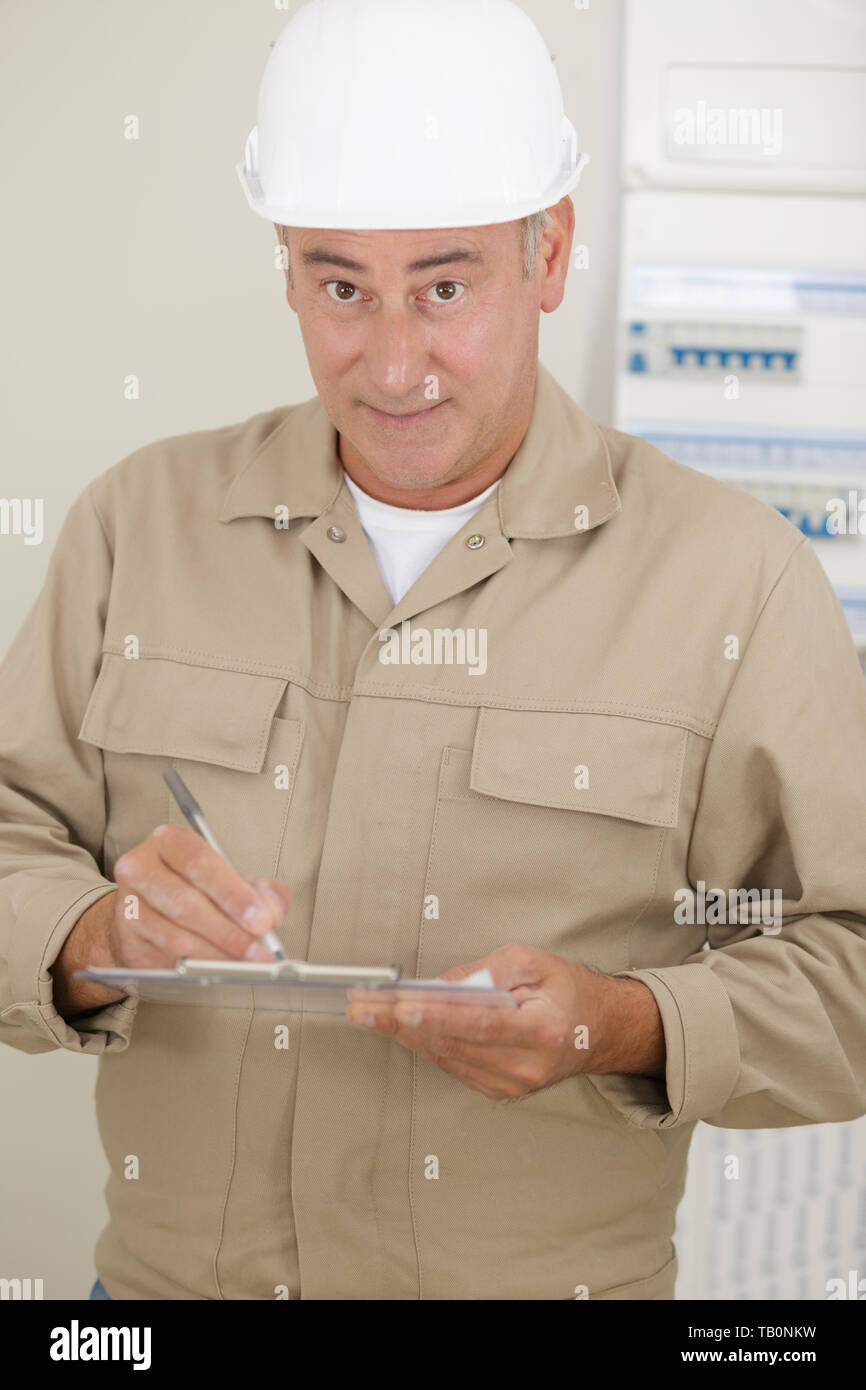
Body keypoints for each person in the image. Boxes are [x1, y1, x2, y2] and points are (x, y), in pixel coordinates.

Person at [1, 0, 864, 1302]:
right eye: (340, 287)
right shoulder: (140, 523)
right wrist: (91, 928)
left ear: (550, 250)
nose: (392, 362)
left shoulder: (733, 577)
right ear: (284, 263)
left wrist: (624, 1023)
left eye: (445, 286)